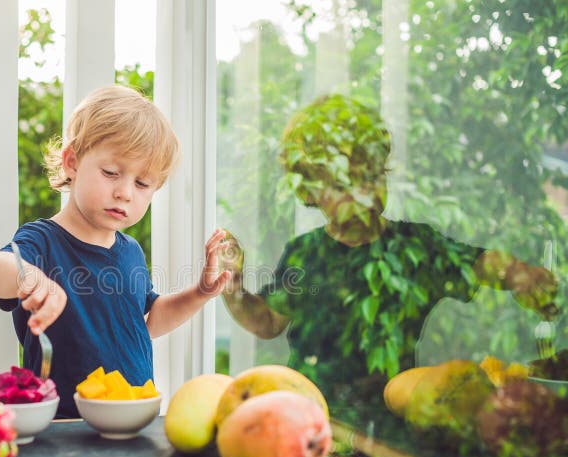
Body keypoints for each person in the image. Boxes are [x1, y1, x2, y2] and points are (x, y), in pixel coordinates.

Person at [218, 94, 558, 403]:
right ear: (309, 192)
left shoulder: (416, 247)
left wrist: (519, 275)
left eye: (372, 175)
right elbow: (266, 322)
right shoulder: (305, 254)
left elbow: (478, 262)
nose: (362, 192)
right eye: (343, 183)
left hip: (392, 418)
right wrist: (232, 285)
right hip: (310, 412)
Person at [0, 85, 231, 418]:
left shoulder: (131, 252)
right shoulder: (42, 240)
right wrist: (31, 279)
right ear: (72, 162)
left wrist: (200, 293)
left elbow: (148, 322)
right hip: (63, 429)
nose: (125, 192)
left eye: (143, 184)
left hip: (133, 420)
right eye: (111, 173)